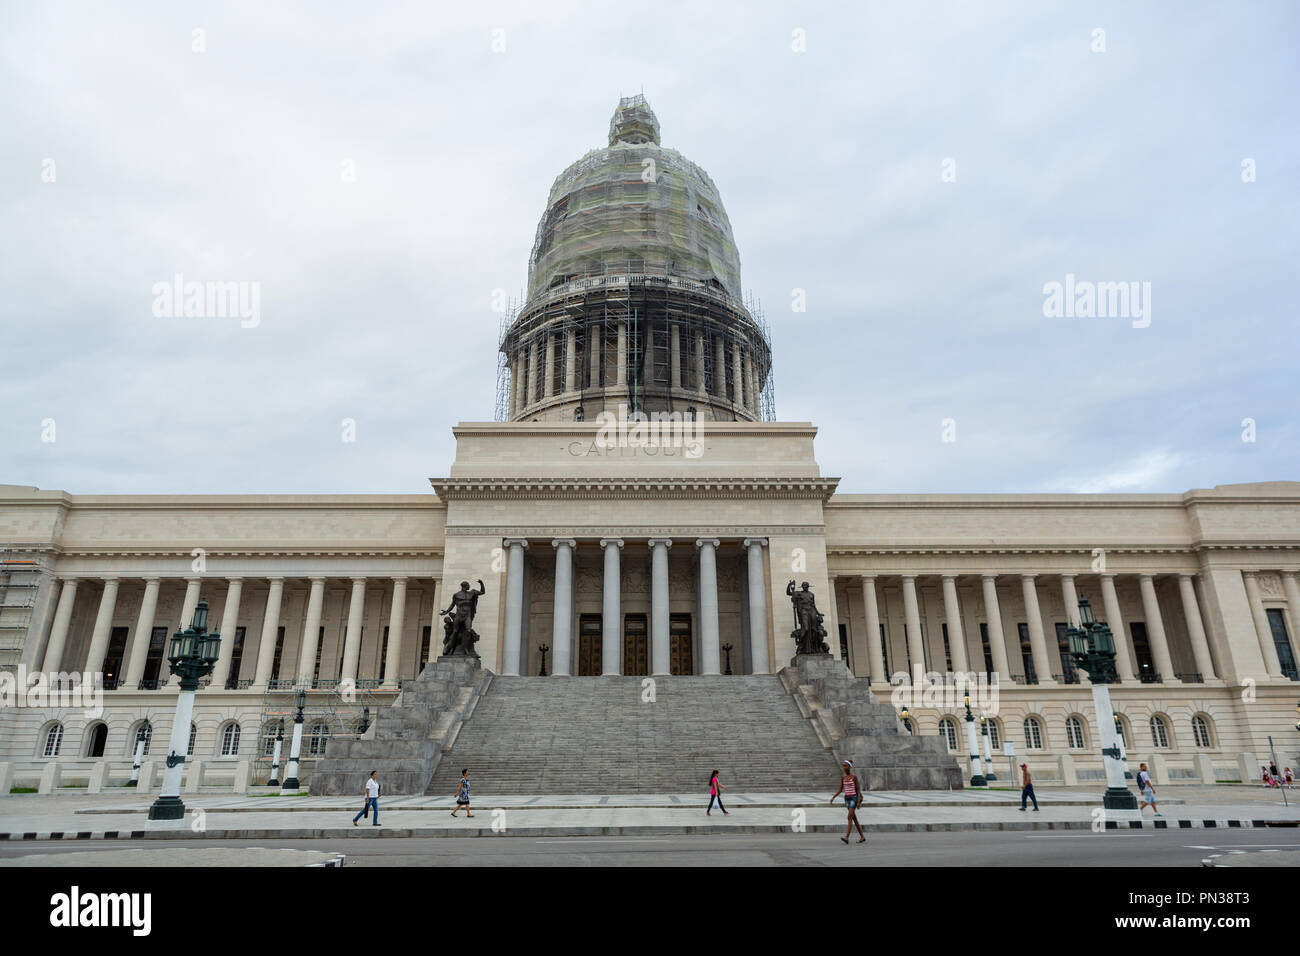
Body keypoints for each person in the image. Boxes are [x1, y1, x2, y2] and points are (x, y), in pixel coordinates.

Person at [829, 759, 866, 844]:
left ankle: (847, 837)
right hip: (847, 799)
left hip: (853, 798)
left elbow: (858, 790)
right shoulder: (843, 778)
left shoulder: (854, 777)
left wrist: (859, 801)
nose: (844, 768)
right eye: (843, 766)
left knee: (849, 817)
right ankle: (862, 837)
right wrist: (833, 797)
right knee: (854, 819)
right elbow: (840, 789)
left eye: (845, 766)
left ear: (849, 767)